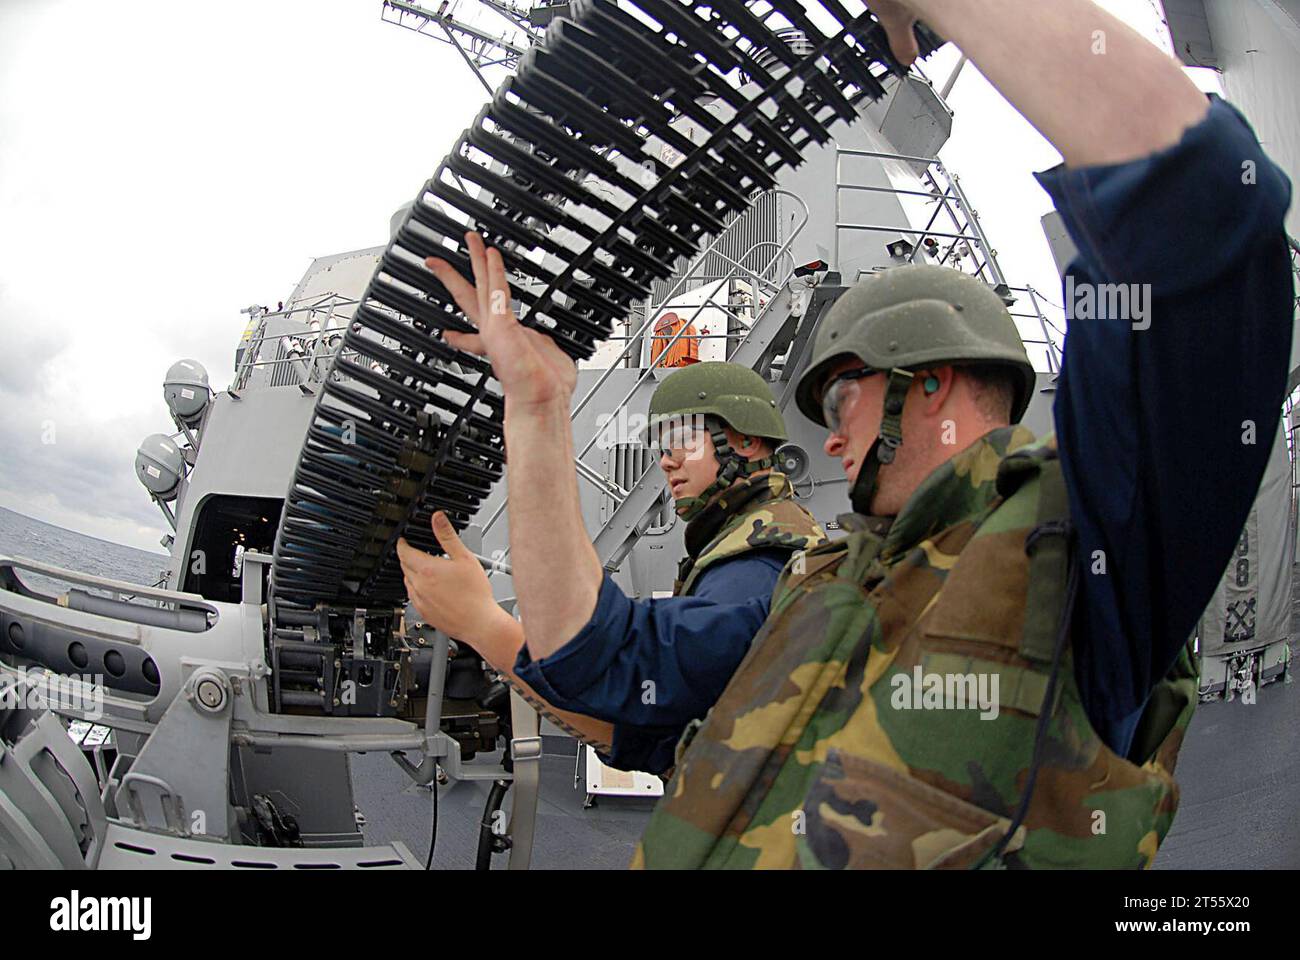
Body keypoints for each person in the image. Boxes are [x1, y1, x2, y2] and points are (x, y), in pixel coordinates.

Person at [420, 0, 1293, 869]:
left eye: (841, 404)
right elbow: (606, 670)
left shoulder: (1080, 550)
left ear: (931, 383)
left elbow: (1198, 204)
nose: (828, 443)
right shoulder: (820, 588)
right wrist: (535, 408)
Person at [397, 362, 825, 774]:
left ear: (746, 442)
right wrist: (484, 631)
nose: (666, 461)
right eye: (660, 447)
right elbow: (652, 740)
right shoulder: (745, 546)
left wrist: (482, 624)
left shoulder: (759, 564)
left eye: (680, 439)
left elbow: (631, 670)